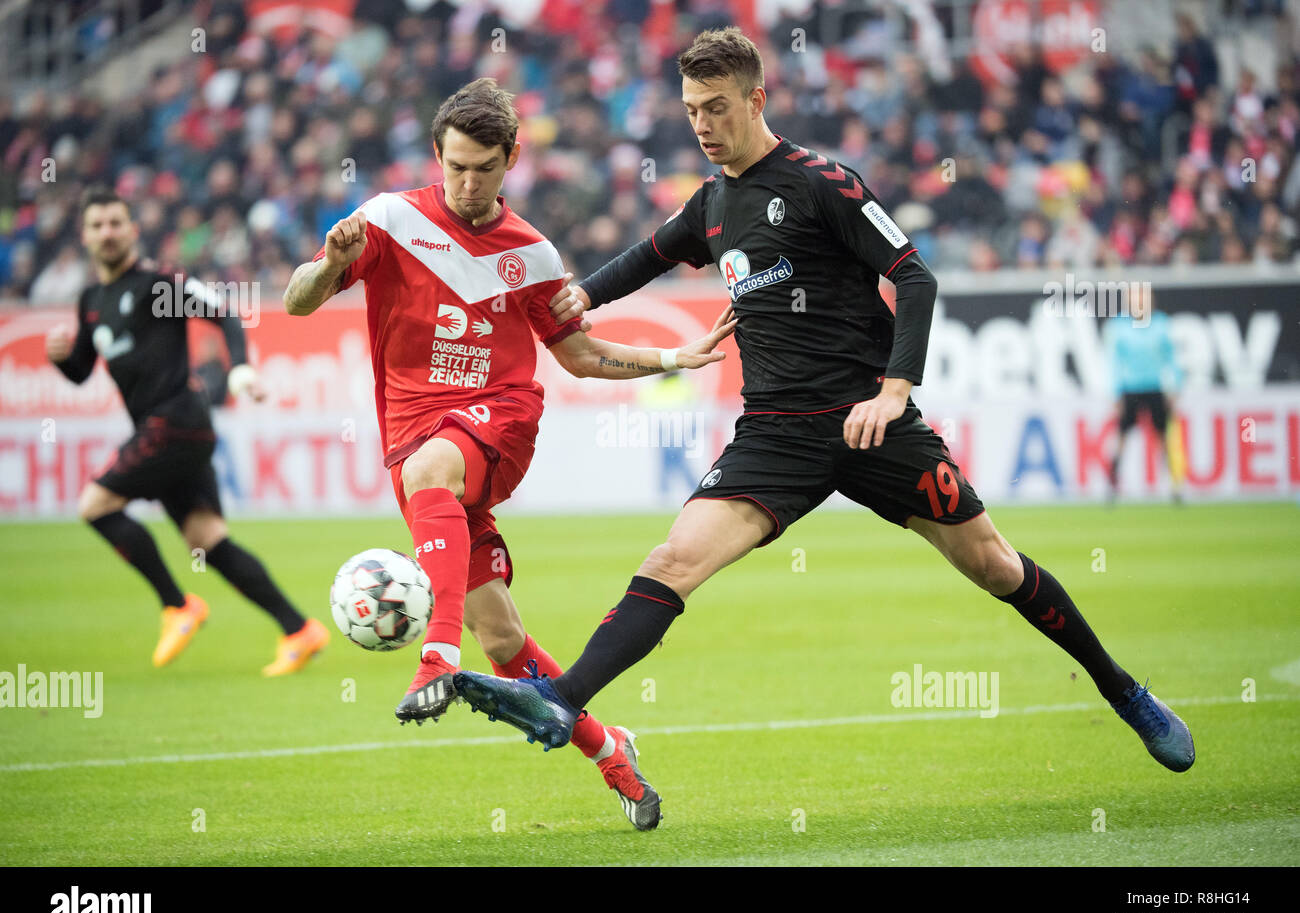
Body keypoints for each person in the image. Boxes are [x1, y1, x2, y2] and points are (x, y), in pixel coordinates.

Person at [451, 29, 1195, 790]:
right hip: (774, 435)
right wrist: (585, 294)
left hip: (871, 421)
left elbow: (916, 279)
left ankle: (1124, 692)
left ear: (756, 100)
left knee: (995, 566)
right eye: (690, 111)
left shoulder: (823, 183)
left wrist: (895, 390)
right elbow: (650, 255)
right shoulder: (710, 204)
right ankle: (560, 700)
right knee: (672, 560)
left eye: (716, 108)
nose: (702, 126)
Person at [282, 78, 736, 830]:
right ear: (438, 155)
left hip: (500, 420)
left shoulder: (531, 253)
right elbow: (298, 301)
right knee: (505, 641)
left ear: (511, 159)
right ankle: (610, 751)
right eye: (456, 166)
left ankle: (435, 656)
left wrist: (671, 359)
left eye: (484, 168)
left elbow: (581, 357)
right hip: (415, 438)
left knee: (435, 471)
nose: (468, 183)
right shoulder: (390, 219)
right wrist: (330, 264)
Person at [47, 188, 329, 675]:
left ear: (133, 229)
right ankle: (299, 629)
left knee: (94, 506)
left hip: (177, 420)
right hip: (165, 432)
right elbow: (80, 369)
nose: (107, 233)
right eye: (97, 226)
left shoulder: (159, 283)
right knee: (207, 541)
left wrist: (240, 370)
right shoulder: (92, 300)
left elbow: (224, 313)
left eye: (116, 223)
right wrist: (61, 359)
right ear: (85, 236)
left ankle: (177, 605)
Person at [1106, 286, 1185, 502]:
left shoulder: (1161, 324)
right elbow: (1114, 362)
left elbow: (1171, 358)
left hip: (1154, 387)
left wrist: (1175, 386)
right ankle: (1113, 484)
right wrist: (1115, 393)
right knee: (1122, 437)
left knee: (1163, 438)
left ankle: (1174, 486)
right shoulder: (1119, 326)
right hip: (1130, 389)